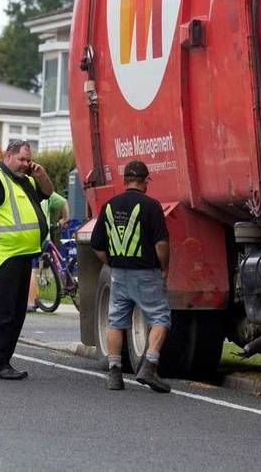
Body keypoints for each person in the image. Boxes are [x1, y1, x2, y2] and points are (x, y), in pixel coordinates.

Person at [0, 140, 52, 380]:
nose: (26, 164)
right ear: (8, 156)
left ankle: (4, 362)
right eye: (22, 159)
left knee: (17, 314)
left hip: (22, 255)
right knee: (3, 314)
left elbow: (48, 192)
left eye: (29, 160)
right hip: (4, 257)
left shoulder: (25, 181)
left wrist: (42, 174)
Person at [90, 160, 171, 393]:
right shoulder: (151, 206)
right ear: (146, 181)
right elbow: (161, 244)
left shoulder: (108, 206)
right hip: (146, 273)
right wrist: (164, 268)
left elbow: (97, 245)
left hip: (119, 274)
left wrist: (113, 262)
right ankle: (149, 366)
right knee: (160, 318)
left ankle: (115, 374)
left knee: (116, 321)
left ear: (125, 181)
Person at [28, 190, 69, 311]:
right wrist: (64, 219)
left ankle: (30, 303)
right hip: (45, 237)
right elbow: (63, 202)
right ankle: (41, 284)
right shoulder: (46, 192)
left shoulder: (24, 191)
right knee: (40, 263)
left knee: (30, 269)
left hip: (32, 237)